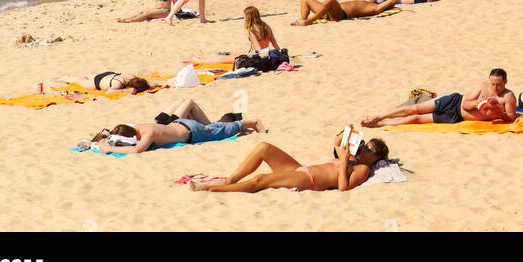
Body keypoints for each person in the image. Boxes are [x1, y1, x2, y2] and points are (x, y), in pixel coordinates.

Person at [191, 131, 391, 193]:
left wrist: (345, 159)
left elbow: (343, 188)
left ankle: (212, 189)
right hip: (299, 169)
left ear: (377, 158)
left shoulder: (363, 168)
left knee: (260, 180)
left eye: (368, 149)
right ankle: (230, 179)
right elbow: (337, 142)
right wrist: (347, 134)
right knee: (263, 147)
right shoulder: (353, 159)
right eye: (364, 145)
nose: (363, 148)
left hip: (309, 180)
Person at [89, 99, 262, 154]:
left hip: (192, 131)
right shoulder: (140, 126)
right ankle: (236, 121)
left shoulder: (148, 132)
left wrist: (105, 147)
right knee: (216, 127)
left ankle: (250, 122)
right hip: (181, 124)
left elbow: (136, 150)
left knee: (223, 132)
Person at [363, 69, 515, 127]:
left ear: (505, 82)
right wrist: (480, 103)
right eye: (493, 83)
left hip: (457, 118)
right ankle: (377, 116)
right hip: (454, 102)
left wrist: (497, 112)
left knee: (416, 119)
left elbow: (511, 118)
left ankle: (381, 124)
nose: (495, 88)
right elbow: (466, 104)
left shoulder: (508, 97)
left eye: (499, 84)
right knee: (415, 108)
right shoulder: (483, 86)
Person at [291, 0, 400, 23]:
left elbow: (393, 0)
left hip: (339, 13)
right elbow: (371, 0)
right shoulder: (370, 2)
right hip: (327, 11)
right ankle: (304, 19)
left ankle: (310, 21)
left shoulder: (375, 7)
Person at [58, 71, 153, 94]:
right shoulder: (118, 84)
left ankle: (91, 75)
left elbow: (150, 83)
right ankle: (65, 78)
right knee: (80, 82)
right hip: (98, 82)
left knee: (93, 78)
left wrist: (148, 88)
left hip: (109, 74)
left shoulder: (131, 77)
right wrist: (126, 91)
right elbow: (109, 92)